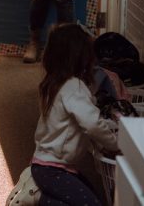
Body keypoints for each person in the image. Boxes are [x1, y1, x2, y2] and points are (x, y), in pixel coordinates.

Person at [30, 23, 118, 206]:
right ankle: (40, 200)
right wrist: (115, 144)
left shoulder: (54, 82)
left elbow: (80, 125)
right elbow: (92, 124)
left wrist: (100, 144)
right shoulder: (74, 87)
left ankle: (43, 199)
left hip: (45, 165)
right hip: (54, 170)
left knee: (91, 196)